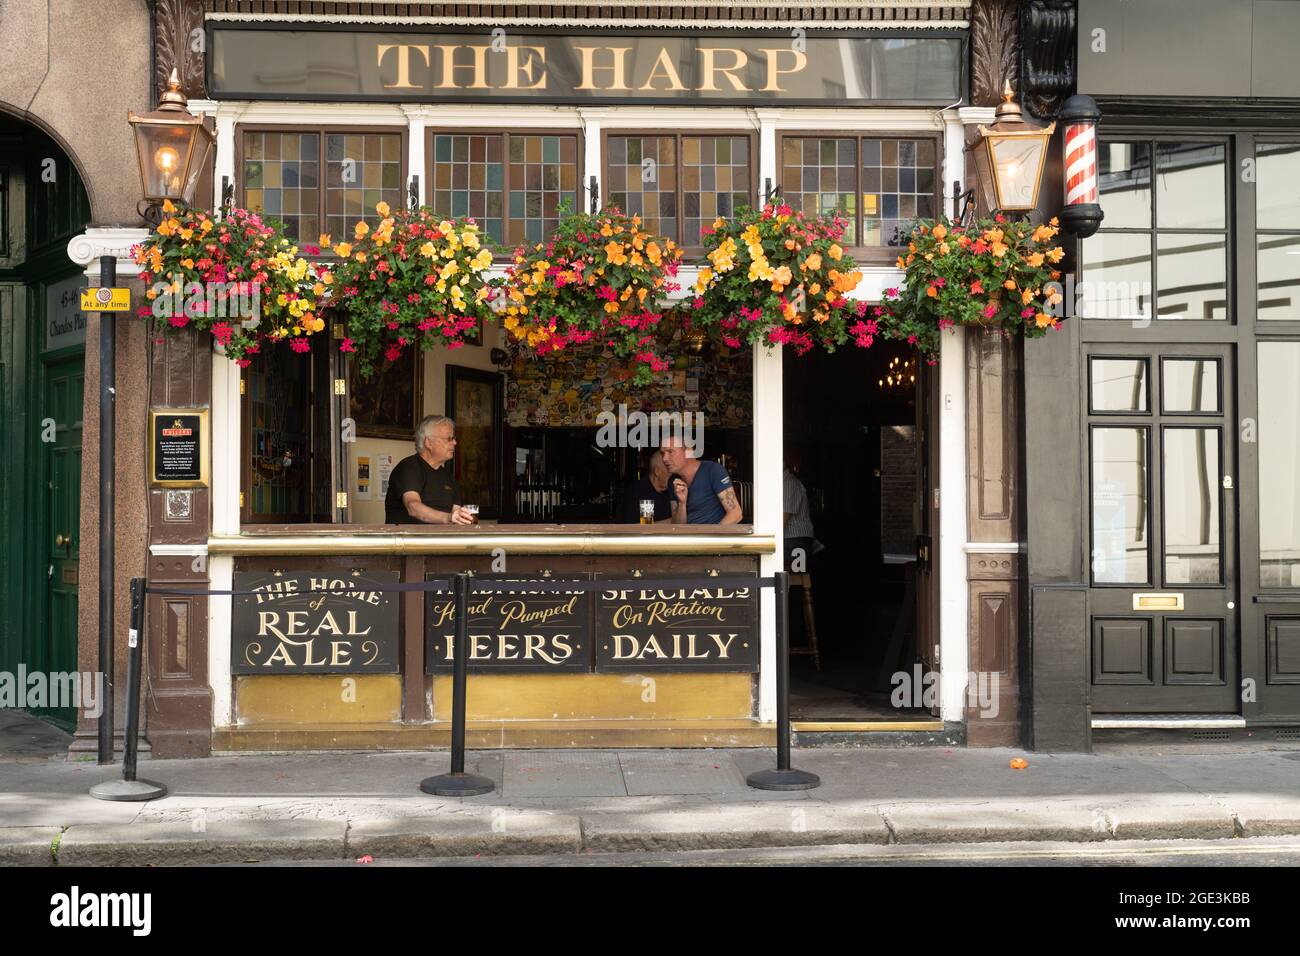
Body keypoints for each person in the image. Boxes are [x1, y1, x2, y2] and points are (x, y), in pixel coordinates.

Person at [384, 415, 476, 525]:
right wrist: (448, 517)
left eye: (454, 438)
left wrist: (463, 518)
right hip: (407, 541)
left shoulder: (448, 477)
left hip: (438, 541)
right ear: (428, 443)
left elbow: (456, 515)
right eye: (449, 438)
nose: (455, 443)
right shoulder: (409, 467)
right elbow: (413, 506)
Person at [660, 434, 743, 525]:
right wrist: (682, 503)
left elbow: (736, 514)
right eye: (662, 453)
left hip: (712, 537)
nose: (664, 458)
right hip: (688, 538)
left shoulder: (712, 470)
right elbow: (677, 526)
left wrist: (710, 537)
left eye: (670, 452)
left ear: (689, 452)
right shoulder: (673, 481)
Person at [622, 449, 675, 523]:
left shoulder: (670, 491)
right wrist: (673, 521)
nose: (672, 472)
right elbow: (646, 526)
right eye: (669, 469)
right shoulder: (642, 490)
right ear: (657, 471)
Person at [783, 457, 816, 569]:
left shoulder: (789, 483)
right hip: (793, 540)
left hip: (796, 541)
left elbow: (782, 522)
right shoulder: (782, 483)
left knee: (759, 556)